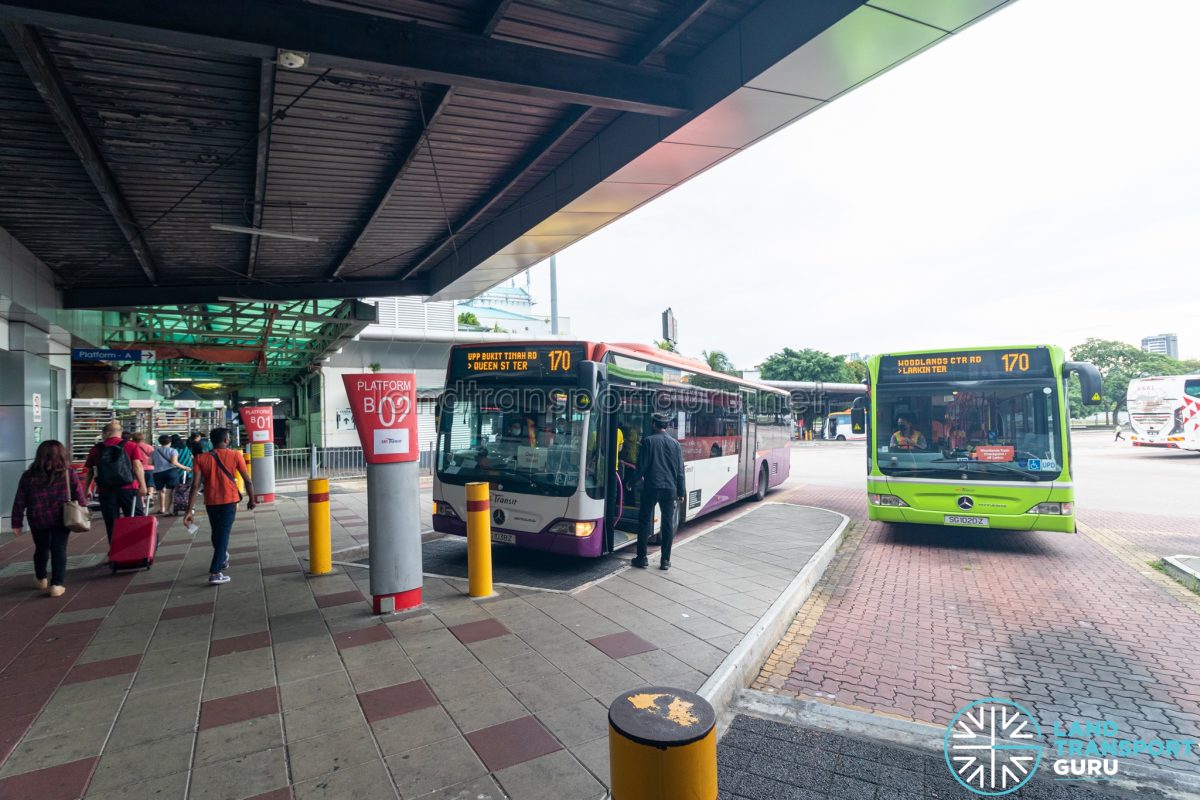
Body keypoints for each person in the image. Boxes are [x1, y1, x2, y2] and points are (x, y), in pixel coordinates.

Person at [9, 441, 87, 597]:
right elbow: (79, 496)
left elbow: (20, 500)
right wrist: (84, 511)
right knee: (59, 549)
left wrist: (16, 523)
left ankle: (41, 578)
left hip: (38, 518)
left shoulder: (28, 476)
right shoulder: (68, 473)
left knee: (42, 548)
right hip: (62, 518)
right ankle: (57, 585)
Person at [184, 428, 255, 585]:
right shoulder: (236, 455)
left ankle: (222, 558)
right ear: (226, 440)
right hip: (229, 500)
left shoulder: (200, 458)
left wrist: (189, 510)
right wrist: (252, 499)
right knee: (223, 534)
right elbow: (247, 479)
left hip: (211, 501)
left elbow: (195, 485)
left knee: (217, 532)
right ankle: (215, 572)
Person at [633, 416, 686, 571]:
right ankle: (665, 561)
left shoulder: (648, 441)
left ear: (654, 425)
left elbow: (641, 467)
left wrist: (630, 483)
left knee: (644, 521)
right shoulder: (675, 444)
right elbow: (680, 470)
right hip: (670, 489)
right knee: (667, 524)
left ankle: (642, 558)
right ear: (667, 426)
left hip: (651, 487)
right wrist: (680, 491)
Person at [84, 422, 149, 542]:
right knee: (135, 517)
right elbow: (137, 467)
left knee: (111, 522)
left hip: (105, 490)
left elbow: (90, 471)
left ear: (105, 433)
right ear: (119, 432)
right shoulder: (131, 445)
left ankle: (115, 552)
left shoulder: (96, 449)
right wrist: (143, 486)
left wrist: (87, 488)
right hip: (129, 488)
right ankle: (138, 549)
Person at [151, 435, 191, 516]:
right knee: (169, 492)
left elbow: (150, 463)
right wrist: (185, 467)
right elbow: (174, 462)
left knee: (161, 491)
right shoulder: (173, 451)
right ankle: (167, 510)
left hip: (157, 473)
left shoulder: (154, 451)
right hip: (170, 472)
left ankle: (161, 508)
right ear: (170, 442)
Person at [131, 431, 155, 515]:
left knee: (139, 486)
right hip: (149, 468)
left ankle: (142, 504)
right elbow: (153, 458)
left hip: (137, 468)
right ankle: (150, 497)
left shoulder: (132, 447)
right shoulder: (149, 447)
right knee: (150, 484)